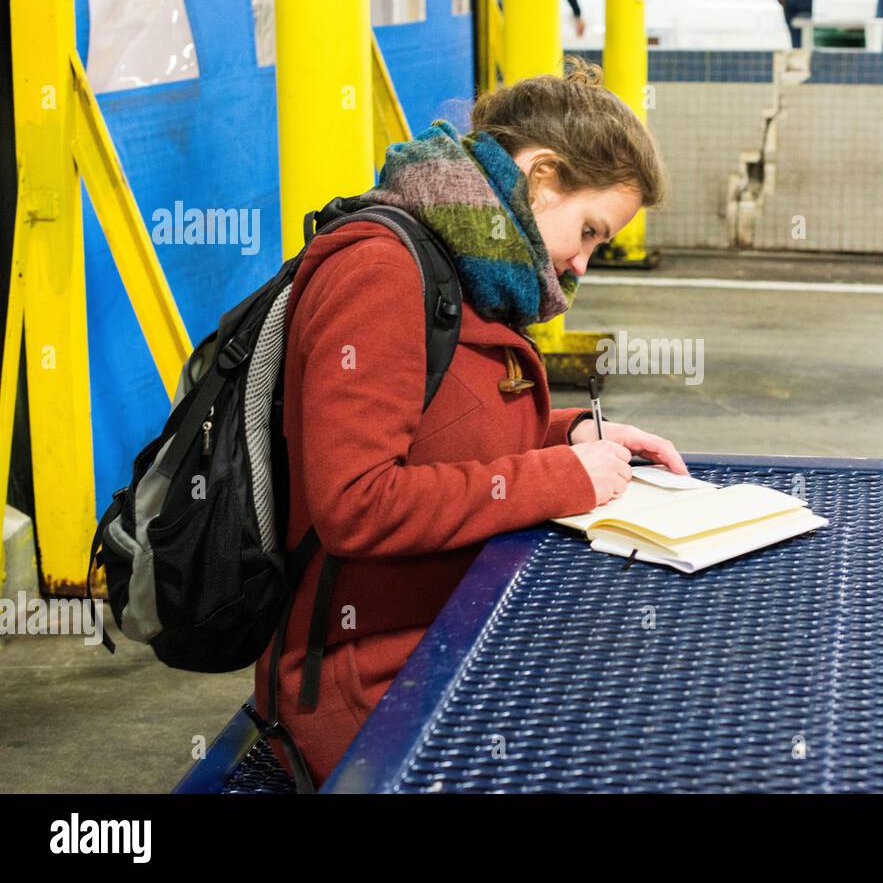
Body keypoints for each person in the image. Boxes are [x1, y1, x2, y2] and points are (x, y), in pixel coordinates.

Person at [253, 57, 682, 788]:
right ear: (542, 175)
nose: (581, 263)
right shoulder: (382, 273)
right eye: (589, 230)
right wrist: (558, 478)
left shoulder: (472, 263)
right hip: (367, 681)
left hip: (445, 633)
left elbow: (445, 435)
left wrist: (572, 435)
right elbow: (358, 504)